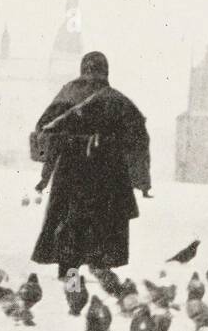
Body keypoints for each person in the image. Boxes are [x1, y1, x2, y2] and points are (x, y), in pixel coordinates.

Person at [31, 51, 149, 278]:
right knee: (104, 222)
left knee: (70, 222)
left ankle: (70, 277)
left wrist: (46, 173)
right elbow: (139, 141)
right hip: (109, 171)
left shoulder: (68, 94)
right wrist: (142, 180)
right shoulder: (118, 100)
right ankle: (102, 274)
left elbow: (45, 129)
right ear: (106, 70)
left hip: (72, 170)